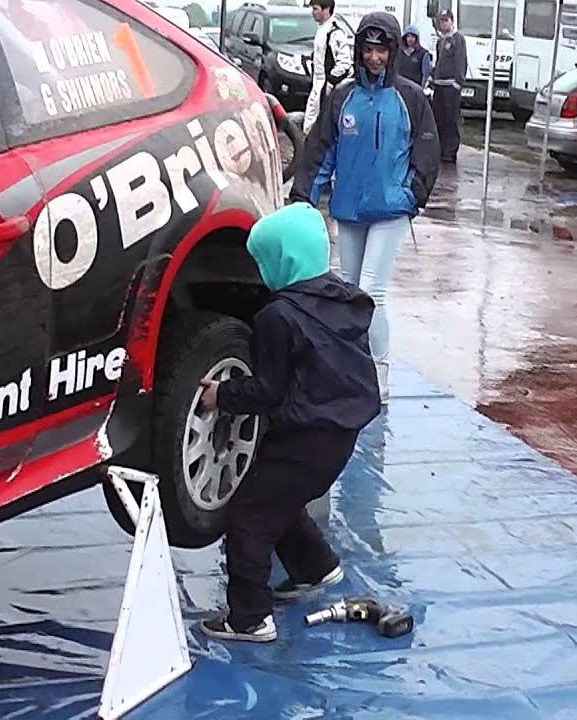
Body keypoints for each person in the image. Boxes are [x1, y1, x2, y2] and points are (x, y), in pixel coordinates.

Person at [196, 202, 381, 642]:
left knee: (249, 516)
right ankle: (317, 568)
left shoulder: (277, 317)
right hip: (342, 432)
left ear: (284, 260)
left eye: (264, 262)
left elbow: (267, 391)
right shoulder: (343, 298)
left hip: (306, 434)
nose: (261, 273)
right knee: (281, 498)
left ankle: (249, 618)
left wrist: (220, 395)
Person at [291, 11, 440, 402]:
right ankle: (355, 368)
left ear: (393, 51)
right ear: (359, 51)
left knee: (371, 291)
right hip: (349, 208)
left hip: (392, 209)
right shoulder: (342, 97)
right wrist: (303, 199)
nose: (375, 57)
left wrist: (413, 194)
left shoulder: (410, 97)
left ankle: (380, 374)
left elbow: (427, 149)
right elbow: (320, 151)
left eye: (382, 50)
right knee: (350, 290)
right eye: (369, 49)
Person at [303, 0, 354, 135]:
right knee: (310, 124)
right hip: (317, 84)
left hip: (325, 87)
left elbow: (345, 63)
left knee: (323, 126)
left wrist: (330, 83)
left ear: (326, 9)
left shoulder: (335, 33)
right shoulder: (321, 30)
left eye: (315, 9)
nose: (312, 13)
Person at [430, 10, 467, 163]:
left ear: (452, 21)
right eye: (441, 21)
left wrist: (459, 82)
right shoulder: (440, 41)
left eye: (446, 20)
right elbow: (438, 62)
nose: (443, 23)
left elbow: (461, 61)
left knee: (451, 120)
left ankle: (451, 150)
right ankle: (440, 148)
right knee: (440, 118)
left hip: (451, 85)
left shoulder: (458, 40)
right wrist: (433, 77)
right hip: (439, 85)